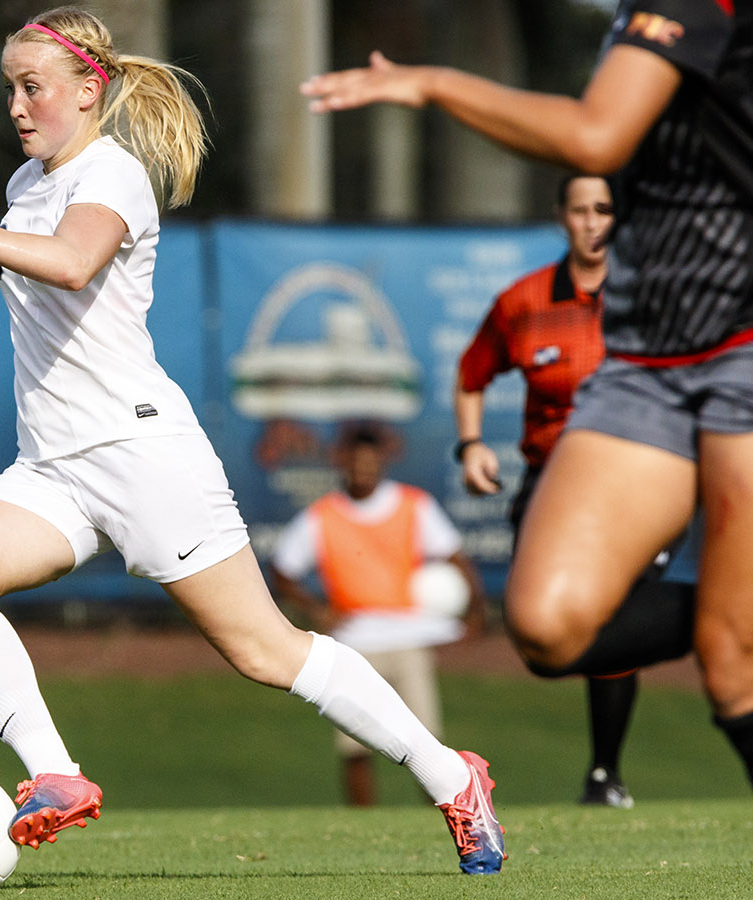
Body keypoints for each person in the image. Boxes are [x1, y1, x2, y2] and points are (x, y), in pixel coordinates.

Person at [0, 6, 504, 874]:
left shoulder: (113, 173)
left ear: (89, 91)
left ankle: (451, 776)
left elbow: (72, 262)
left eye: (33, 87)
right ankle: (56, 774)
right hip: (53, 466)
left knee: (265, 651)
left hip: (141, 456)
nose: (16, 106)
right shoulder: (26, 186)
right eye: (10, 89)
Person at [303, 1, 753, 786]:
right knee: (550, 625)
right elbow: (473, 372)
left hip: (743, 351)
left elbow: (595, 137)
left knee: (730, 663)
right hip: (648, 360)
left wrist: (435, 83)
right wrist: (473, 441)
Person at [455, 174, 696, 807]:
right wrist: (471, 444)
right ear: (561, 217)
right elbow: (472, 372)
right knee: (544, 637)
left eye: (604, 209)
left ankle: (604, 774)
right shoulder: (525, 300)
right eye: (580, 210)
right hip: (552, 485)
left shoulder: (654, 297)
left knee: (618, 615)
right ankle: (709, 617)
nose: (593, 222)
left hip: (638, 482)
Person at [271, 421, 487, 807]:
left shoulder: (412, 504)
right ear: (342, 463)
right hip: (355, 643)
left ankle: (445, 816)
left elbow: (456, 557)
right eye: (355, 462)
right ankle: (362, 823)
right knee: (355, 743)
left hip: (407, 638)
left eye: (370, 462)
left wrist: (475, 611)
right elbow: (283, 569)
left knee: (426, 740)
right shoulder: (324, 515)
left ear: (382, 463)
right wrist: (317, 611)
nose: (363, 470)